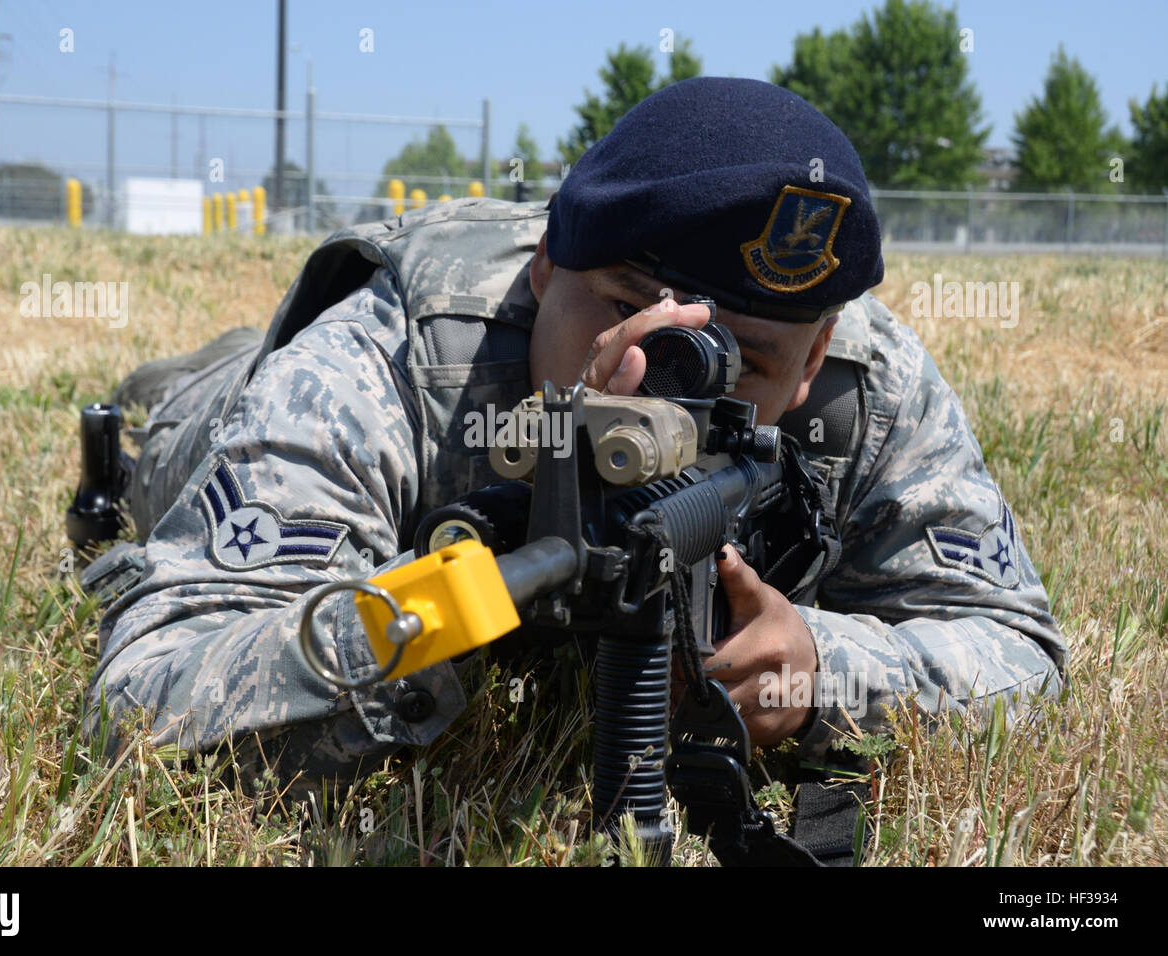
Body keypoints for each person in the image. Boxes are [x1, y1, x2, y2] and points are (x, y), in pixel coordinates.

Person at [81, 77, 1066, 813]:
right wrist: (437, 623)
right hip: (219, 410)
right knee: (174, 408)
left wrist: (822, 668)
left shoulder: (866, 386)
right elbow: (147, 696)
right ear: (549, 260)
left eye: (730, 362)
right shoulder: (402, 351)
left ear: (811, 367)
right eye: (627, 312)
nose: (641, 379)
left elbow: (1016, 653)